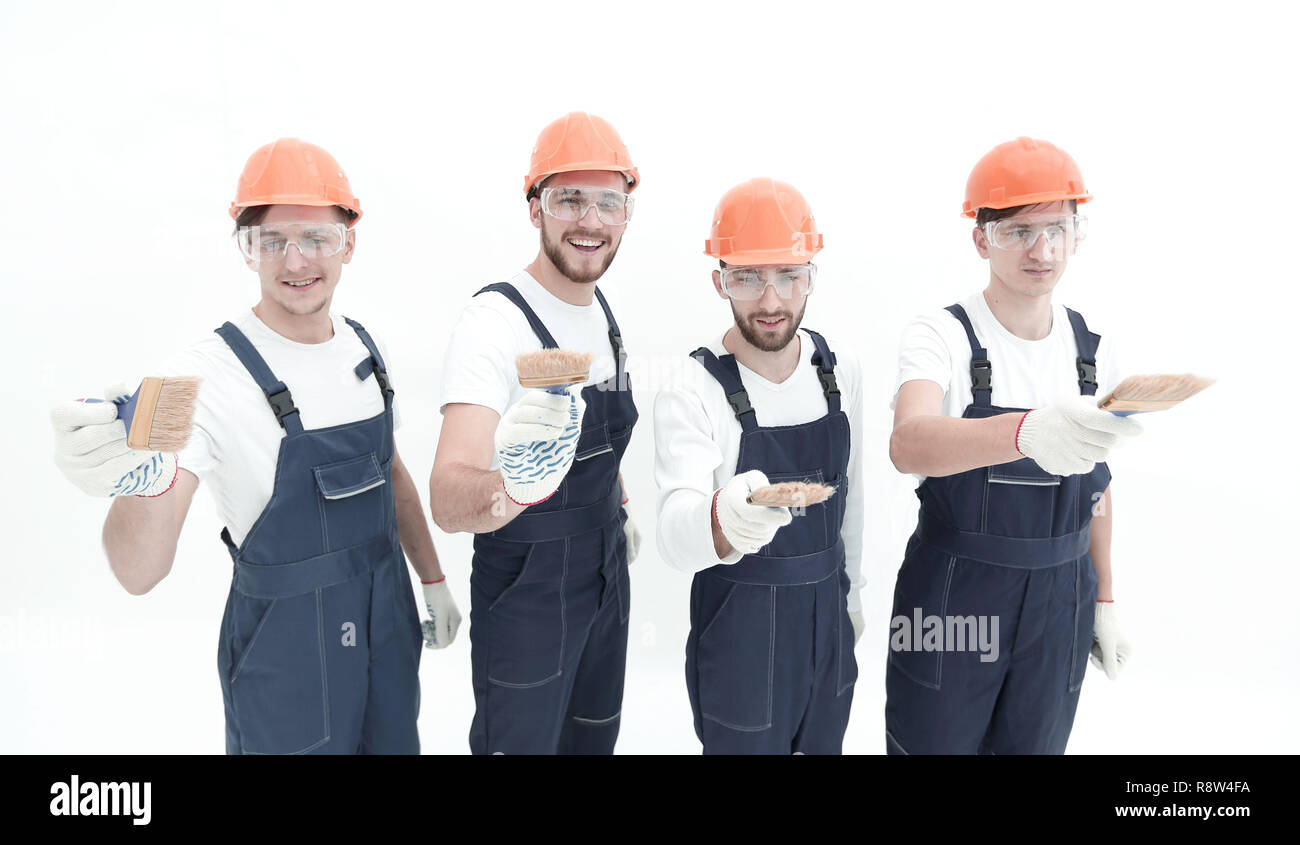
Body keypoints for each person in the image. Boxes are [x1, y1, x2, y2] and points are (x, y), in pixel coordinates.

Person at [50, 138, 460, 754]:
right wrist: (139, 478)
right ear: (246, 250)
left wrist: (431, 577)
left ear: (350, 241)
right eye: (271, 241)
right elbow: (138, 574)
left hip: (386, 620)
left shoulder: (364, 348)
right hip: (286, 650)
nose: (295, 261)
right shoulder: (194, 380)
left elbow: (389, 469)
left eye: (316, 237)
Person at [885, 137, 1141, 754]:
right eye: (1019, 232)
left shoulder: (1085, 346)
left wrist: (1104, 596)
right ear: (981, 239)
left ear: (1077, 233)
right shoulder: (942, 334)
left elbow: (1098, 489)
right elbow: (909, 444)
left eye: (1057, 229)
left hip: (1061, 601)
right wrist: (1027, 432)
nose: (1042, 251)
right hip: (954, 603)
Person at [430, 112, 641, 754]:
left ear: (627, 213)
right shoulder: (494, 324)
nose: (590, 220)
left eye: (609, 201)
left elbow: (594, 433)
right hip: (528, 582)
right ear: (534, 208)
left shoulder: (599, 308)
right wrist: (516, 488)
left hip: (607, 569)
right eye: (567, 198)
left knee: (591, 740)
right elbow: (447, 495)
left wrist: (619, 503)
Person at [654, 178, 864, 754]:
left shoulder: (839, 372)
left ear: (811, 275)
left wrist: (853, 600)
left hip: (828, 624)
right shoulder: (691, 388)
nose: (771, 302)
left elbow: (855, 498)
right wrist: (726, 518)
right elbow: (674, 537)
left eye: (788, 275)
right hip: (741, 636)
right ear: (719, 280)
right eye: (747, 277)